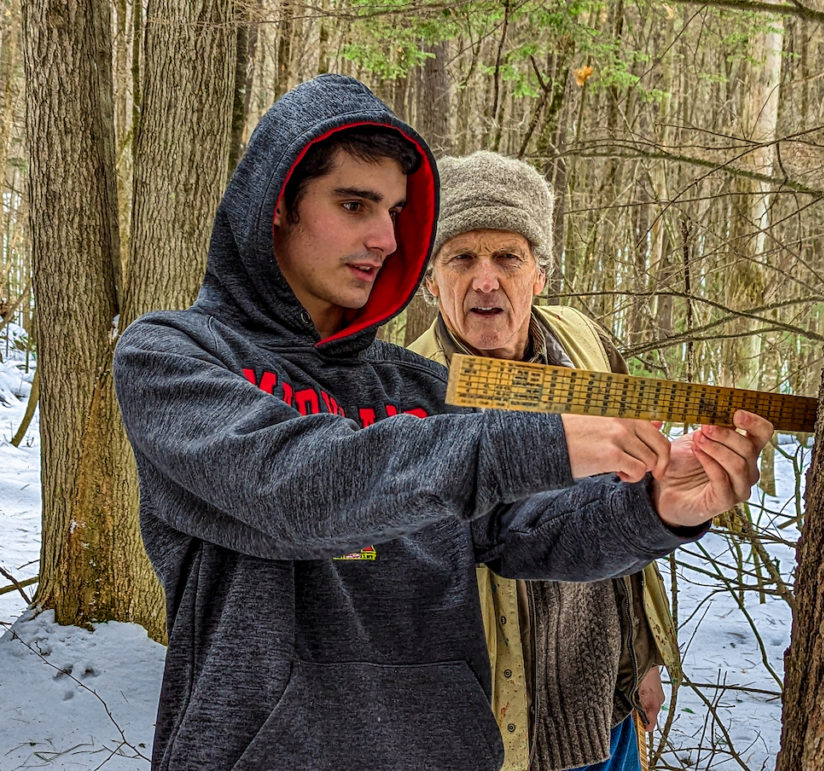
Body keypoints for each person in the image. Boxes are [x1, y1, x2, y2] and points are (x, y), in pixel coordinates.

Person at [112, 74, 773, 771]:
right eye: (354, 203)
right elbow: (299, 487)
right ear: (277, 205)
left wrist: (657, 505)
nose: (385, 237)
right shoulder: (173, 358)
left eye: (394, 211)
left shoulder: (415, 386)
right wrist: (545, 439)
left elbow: (527, 529)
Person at [409, 150, 679, 771]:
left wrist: (643, 659)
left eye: (508, 257)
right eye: (461, 258)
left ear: (539, 274)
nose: (485, 280)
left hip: (604, 708)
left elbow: (627, 507)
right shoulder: (409, 391)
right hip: (494, 730)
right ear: (429, 279)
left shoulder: (584, 341)